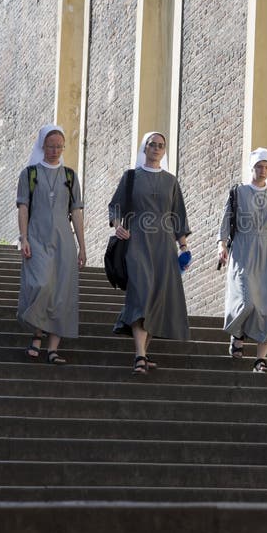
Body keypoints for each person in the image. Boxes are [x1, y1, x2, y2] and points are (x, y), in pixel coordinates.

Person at [108, 132, 191, 374]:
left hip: (164, 245)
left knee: (157, 298)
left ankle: (143, 352)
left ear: (164, 151)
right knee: (141, 294)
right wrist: (117, 225)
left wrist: (184, 247)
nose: (156, 148)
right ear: (144, 148)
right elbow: (115, 206)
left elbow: (178, 215)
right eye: (152, 145)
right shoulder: (131, 177)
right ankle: (140, 355)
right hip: (137, 243)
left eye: (160, 146)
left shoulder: (171, 181)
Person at [16, 123, 86, 364]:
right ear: (42, 145)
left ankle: (53, 348)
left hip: (64, 240)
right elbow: (23, 207)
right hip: (36, 235)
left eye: (59, 146)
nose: (54, 150)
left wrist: (82, 246)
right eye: (50, 146)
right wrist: (23, 237)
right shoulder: (29, 174)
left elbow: (76, 211)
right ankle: (37, 334)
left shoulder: (70, 176)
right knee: (40, 284)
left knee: (61, 292)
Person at [217, 147, 267, 372]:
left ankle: (261, 360)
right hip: (242, 249)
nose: (263, 171)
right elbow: (225, 220)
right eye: (259, 166)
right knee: (246, 301)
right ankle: (238, 334)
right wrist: (221, 245)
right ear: (251, 167)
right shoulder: (238, 192)